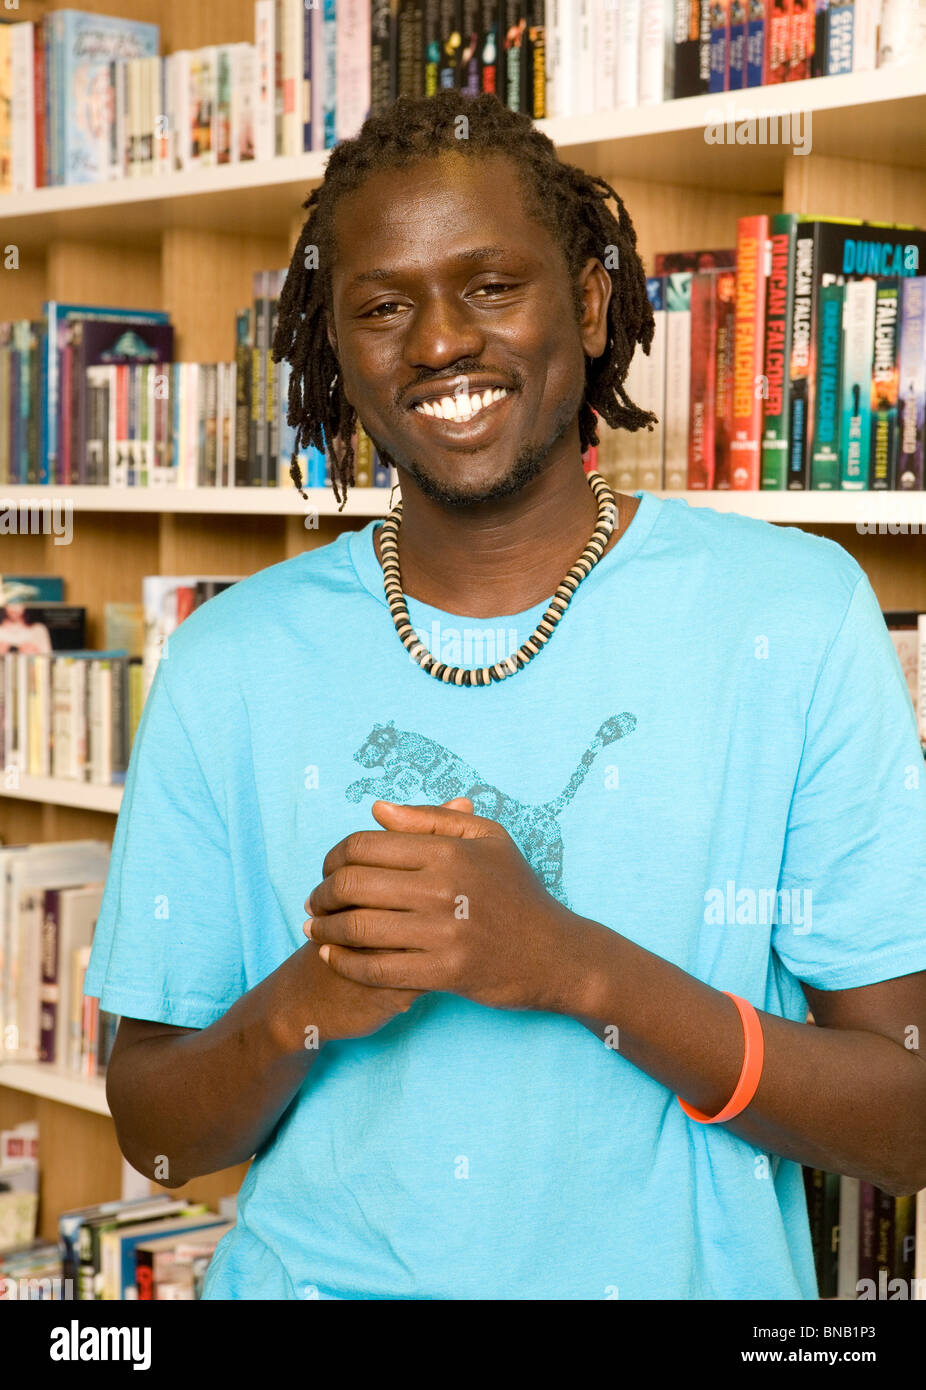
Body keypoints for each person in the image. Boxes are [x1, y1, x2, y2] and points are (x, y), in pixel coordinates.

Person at [84, 91, 926, 1301]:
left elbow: (901, 1122)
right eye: (382, 306)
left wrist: (567, 966)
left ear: (587, 303)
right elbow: (159, 1136)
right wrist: (306, 1001)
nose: (436, 344)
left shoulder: (790, 614)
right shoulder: (231, 658)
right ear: (334, 345)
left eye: (489, 286)